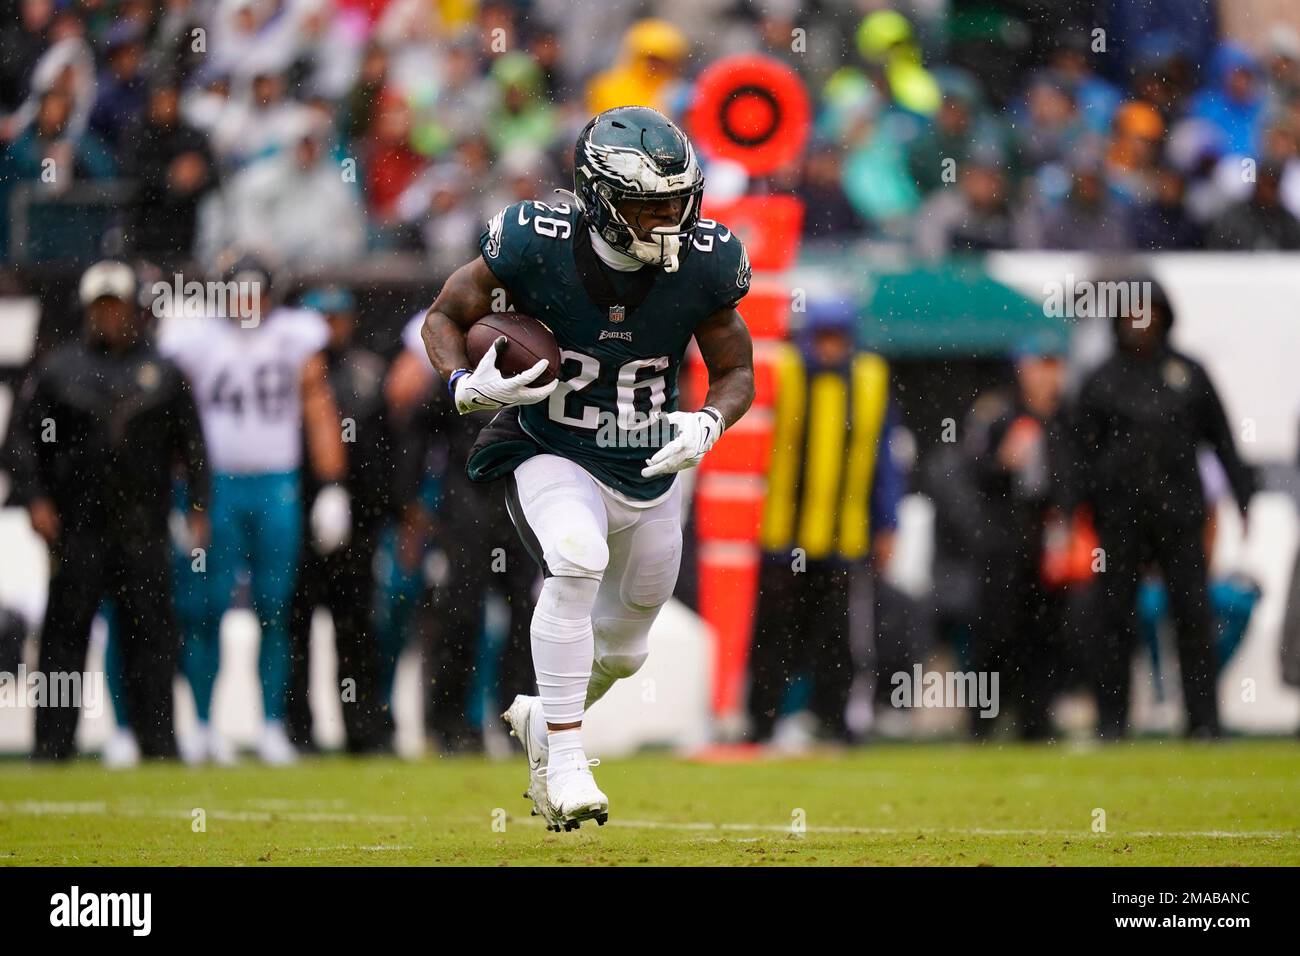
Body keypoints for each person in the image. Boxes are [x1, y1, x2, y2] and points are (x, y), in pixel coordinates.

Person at [420, 107, 754, 829]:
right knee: (574, 560)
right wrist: (462, 385)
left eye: (678, 202)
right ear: (600, 200)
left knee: (628, 649)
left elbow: (735, 368)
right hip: (553, 446)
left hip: (649, 461)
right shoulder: (533, 243)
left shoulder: (707, 259)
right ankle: (567, 762)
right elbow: (443, 316)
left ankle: (547, 719)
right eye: (650, 206)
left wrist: (708, 420)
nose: (670, 221)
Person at [5, 260, 209, 760]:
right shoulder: (58, 369)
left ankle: (158, 742)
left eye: (117, 306)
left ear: (133, 310)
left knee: (152, 636)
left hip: (143, 524)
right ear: (87, 309)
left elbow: (194, 445)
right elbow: (21, 442)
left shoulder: (163, 371)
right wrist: (35, 499)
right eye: (101, 306)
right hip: (78, 526)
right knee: (64, 638)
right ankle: (53, 746)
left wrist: (199, 507)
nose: (109, 316)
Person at [157, 253, 348, 765]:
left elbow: (318, 406)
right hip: (214, 489)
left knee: (274, 608)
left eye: (256, 293)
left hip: (276, 487)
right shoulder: (194, 337)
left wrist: (331, 484)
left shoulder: (294, 334)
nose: (248, 305)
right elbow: (171, 417)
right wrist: (179, 493)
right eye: (238, 293)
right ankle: (200, 724)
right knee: (204, 609)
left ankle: (269, 724)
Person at [1076, 280, 1255, 739]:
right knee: (1113, 619)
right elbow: (1078, 451)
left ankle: (1204, 722)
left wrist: (1243, 497)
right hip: (1120, 522)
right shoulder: (1102, 379)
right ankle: (1112, 722)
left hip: (1179, 518)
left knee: (1193, 618)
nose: (1141, 321)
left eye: (1149, 311)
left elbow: (1223, 439)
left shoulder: (1188, 373)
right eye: (1132, 312)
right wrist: (1080, 504)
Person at [746, 300, 902, 745]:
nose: (830, 348)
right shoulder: (782, 371)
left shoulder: (871, 379)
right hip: (780, 537)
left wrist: (887, 524)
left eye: (839, 338)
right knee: (772, 639)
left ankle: (836, 723)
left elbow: (885, 463)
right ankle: (760, 725)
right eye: (823, 337)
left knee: (838, 641)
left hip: (842, 538)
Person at [285, 287, 394, 754]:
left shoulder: (369, 373)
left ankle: (364, 729)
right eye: (322, 319)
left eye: (338, 318)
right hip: (298, 513)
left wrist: (372, 506)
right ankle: (297, 731)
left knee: (357, 629)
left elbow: (388, 448)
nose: (331, 328)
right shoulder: (288, 374)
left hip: (360, 520)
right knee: (296, 628)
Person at [962, 337, 1077, 739]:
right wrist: (1001, 462)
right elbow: (971, 471)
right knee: (995, 633)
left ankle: (1036, 720)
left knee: (1043, 634)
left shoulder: (1066, 417)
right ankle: (982, 722)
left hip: (1046, 543)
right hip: (1003, 542)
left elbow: (1076, 478)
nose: (1046, 375)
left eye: (1052, 365)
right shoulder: (999, 413)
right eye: (1038, 364)